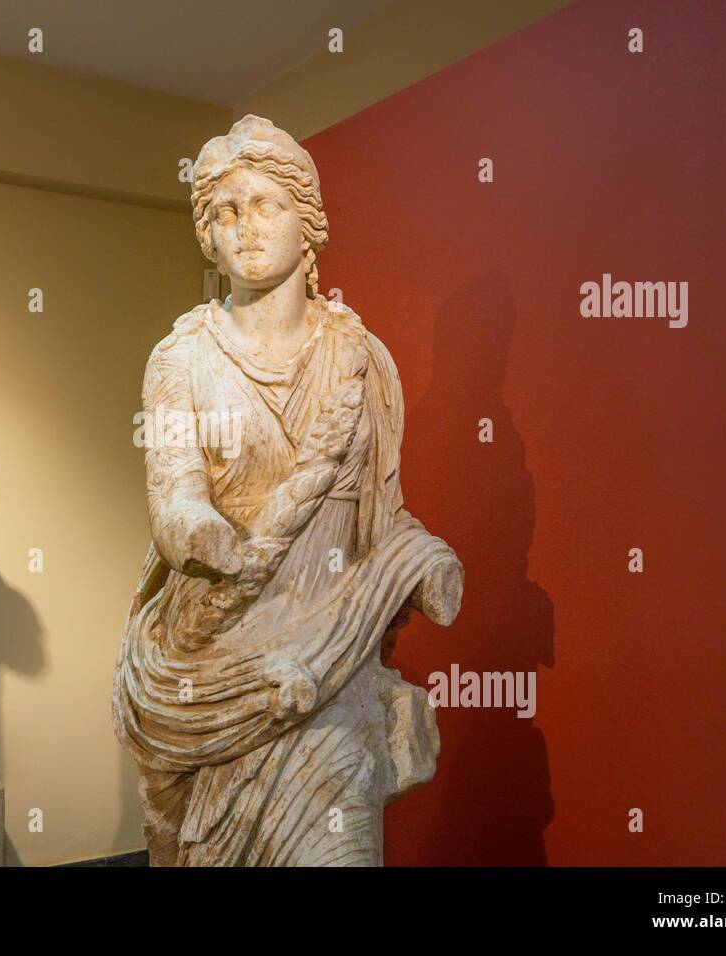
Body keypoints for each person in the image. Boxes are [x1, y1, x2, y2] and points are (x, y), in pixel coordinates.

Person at [113, 116, 463, 865]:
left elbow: (382, 518)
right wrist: (193, 528)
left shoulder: (360, 359)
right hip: (218, 656)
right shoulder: (181, 358)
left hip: (327, 661)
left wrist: (422, 560)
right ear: (208, 235)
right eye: (224, 212)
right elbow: (173, 488)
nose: (243, 228)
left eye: (264, 204)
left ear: (308, 223)